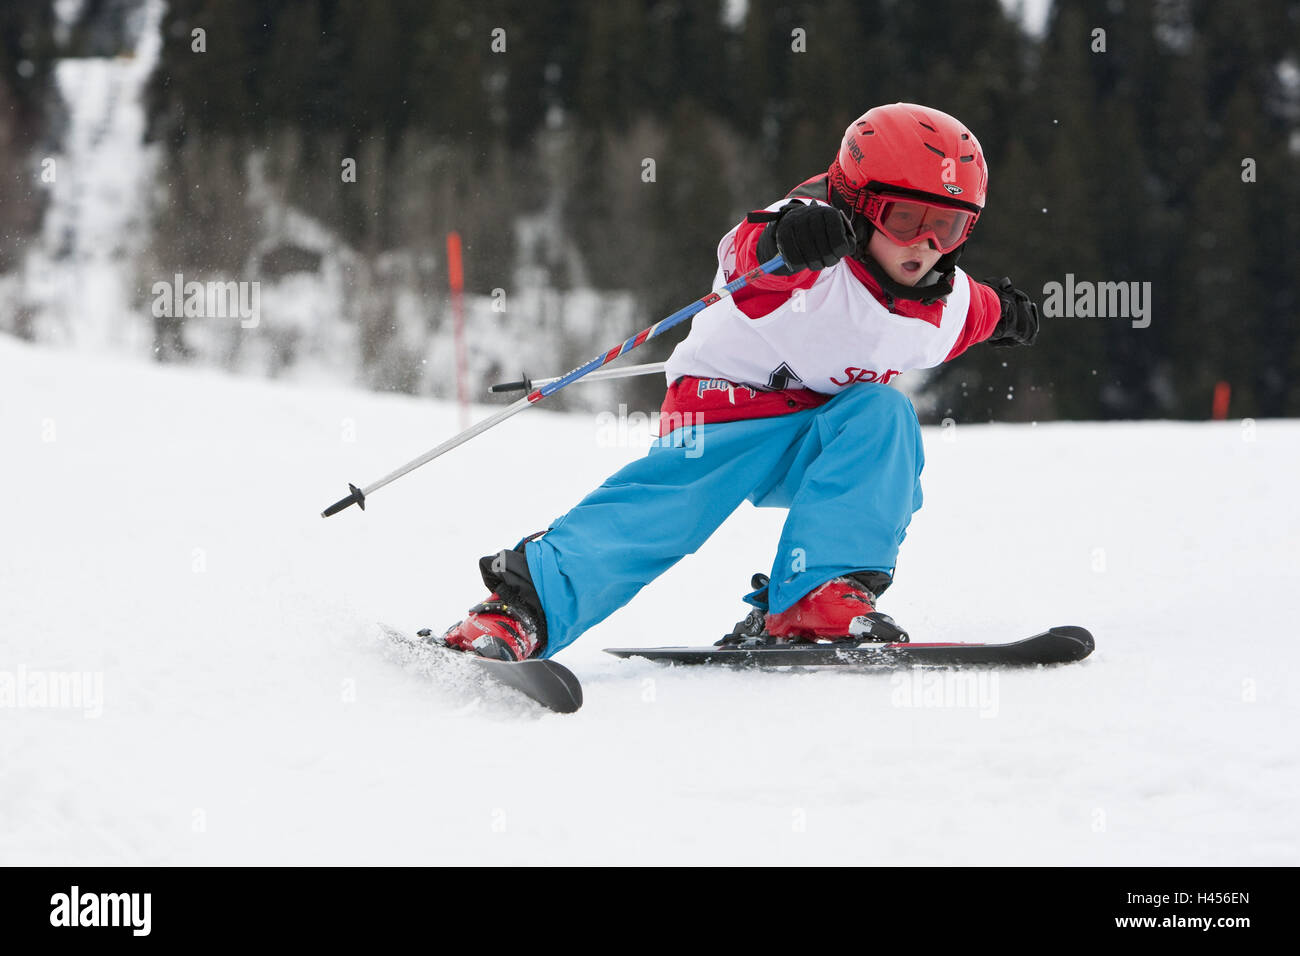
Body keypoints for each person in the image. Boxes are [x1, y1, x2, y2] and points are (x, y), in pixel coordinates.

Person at [440, 102, 1040, 661]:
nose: (927, 246)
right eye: (905, 219)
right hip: (726, 410)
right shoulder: (805, 252)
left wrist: (1008, 315)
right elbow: (745, 256)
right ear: (857, 205)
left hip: (816, 437)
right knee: (665, 511)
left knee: (884, 415)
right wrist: (787, 240)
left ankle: (813, 599)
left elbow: (980, 308)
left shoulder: (947, 305)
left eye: (950, 226)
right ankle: (519, 611)